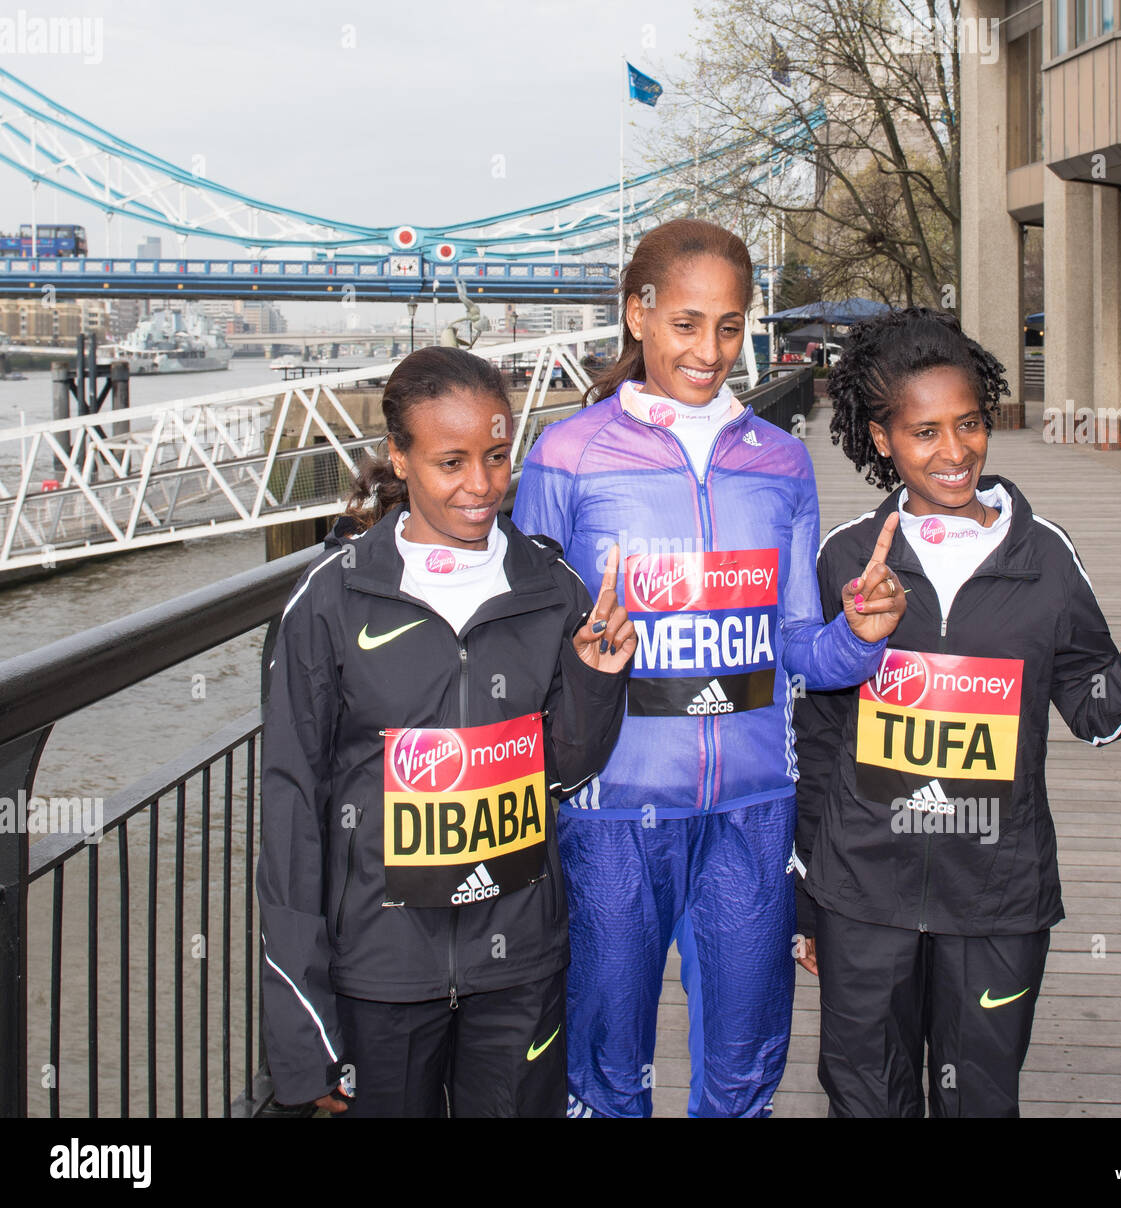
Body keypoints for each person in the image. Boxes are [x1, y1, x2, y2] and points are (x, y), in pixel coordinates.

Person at [512, 217, 900, 1117]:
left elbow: (803, 650)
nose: (710, 349)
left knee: (744, 1073)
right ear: (637, 315)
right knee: (606, 1071)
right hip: (611, 814)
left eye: (730, 326)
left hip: (751, 813)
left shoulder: (781, 460)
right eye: (686, 323)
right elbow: (530, 651)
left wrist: (863, 633)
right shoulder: (566, 458)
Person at [793, 307, 1121, 1117]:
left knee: (980, 1099)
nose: (954, 452)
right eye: (924, 433)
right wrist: (809, 895)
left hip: (996, 900)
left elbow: (1100, 708)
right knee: (862, 1096)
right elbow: (815, 737)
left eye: (970, 424)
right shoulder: (848, 557)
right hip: (861, 898)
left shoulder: (1046, 556)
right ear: (883, 441)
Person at [257, 346, 635, 1118]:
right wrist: (303, 1026)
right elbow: (292, 811)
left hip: (519, 965)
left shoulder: (551, 588)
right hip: (381, 974)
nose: (482, 486)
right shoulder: (330, 603)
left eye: (497, 456)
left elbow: (563, 771)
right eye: (450, 461)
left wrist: (598, 681)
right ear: (399, 457)